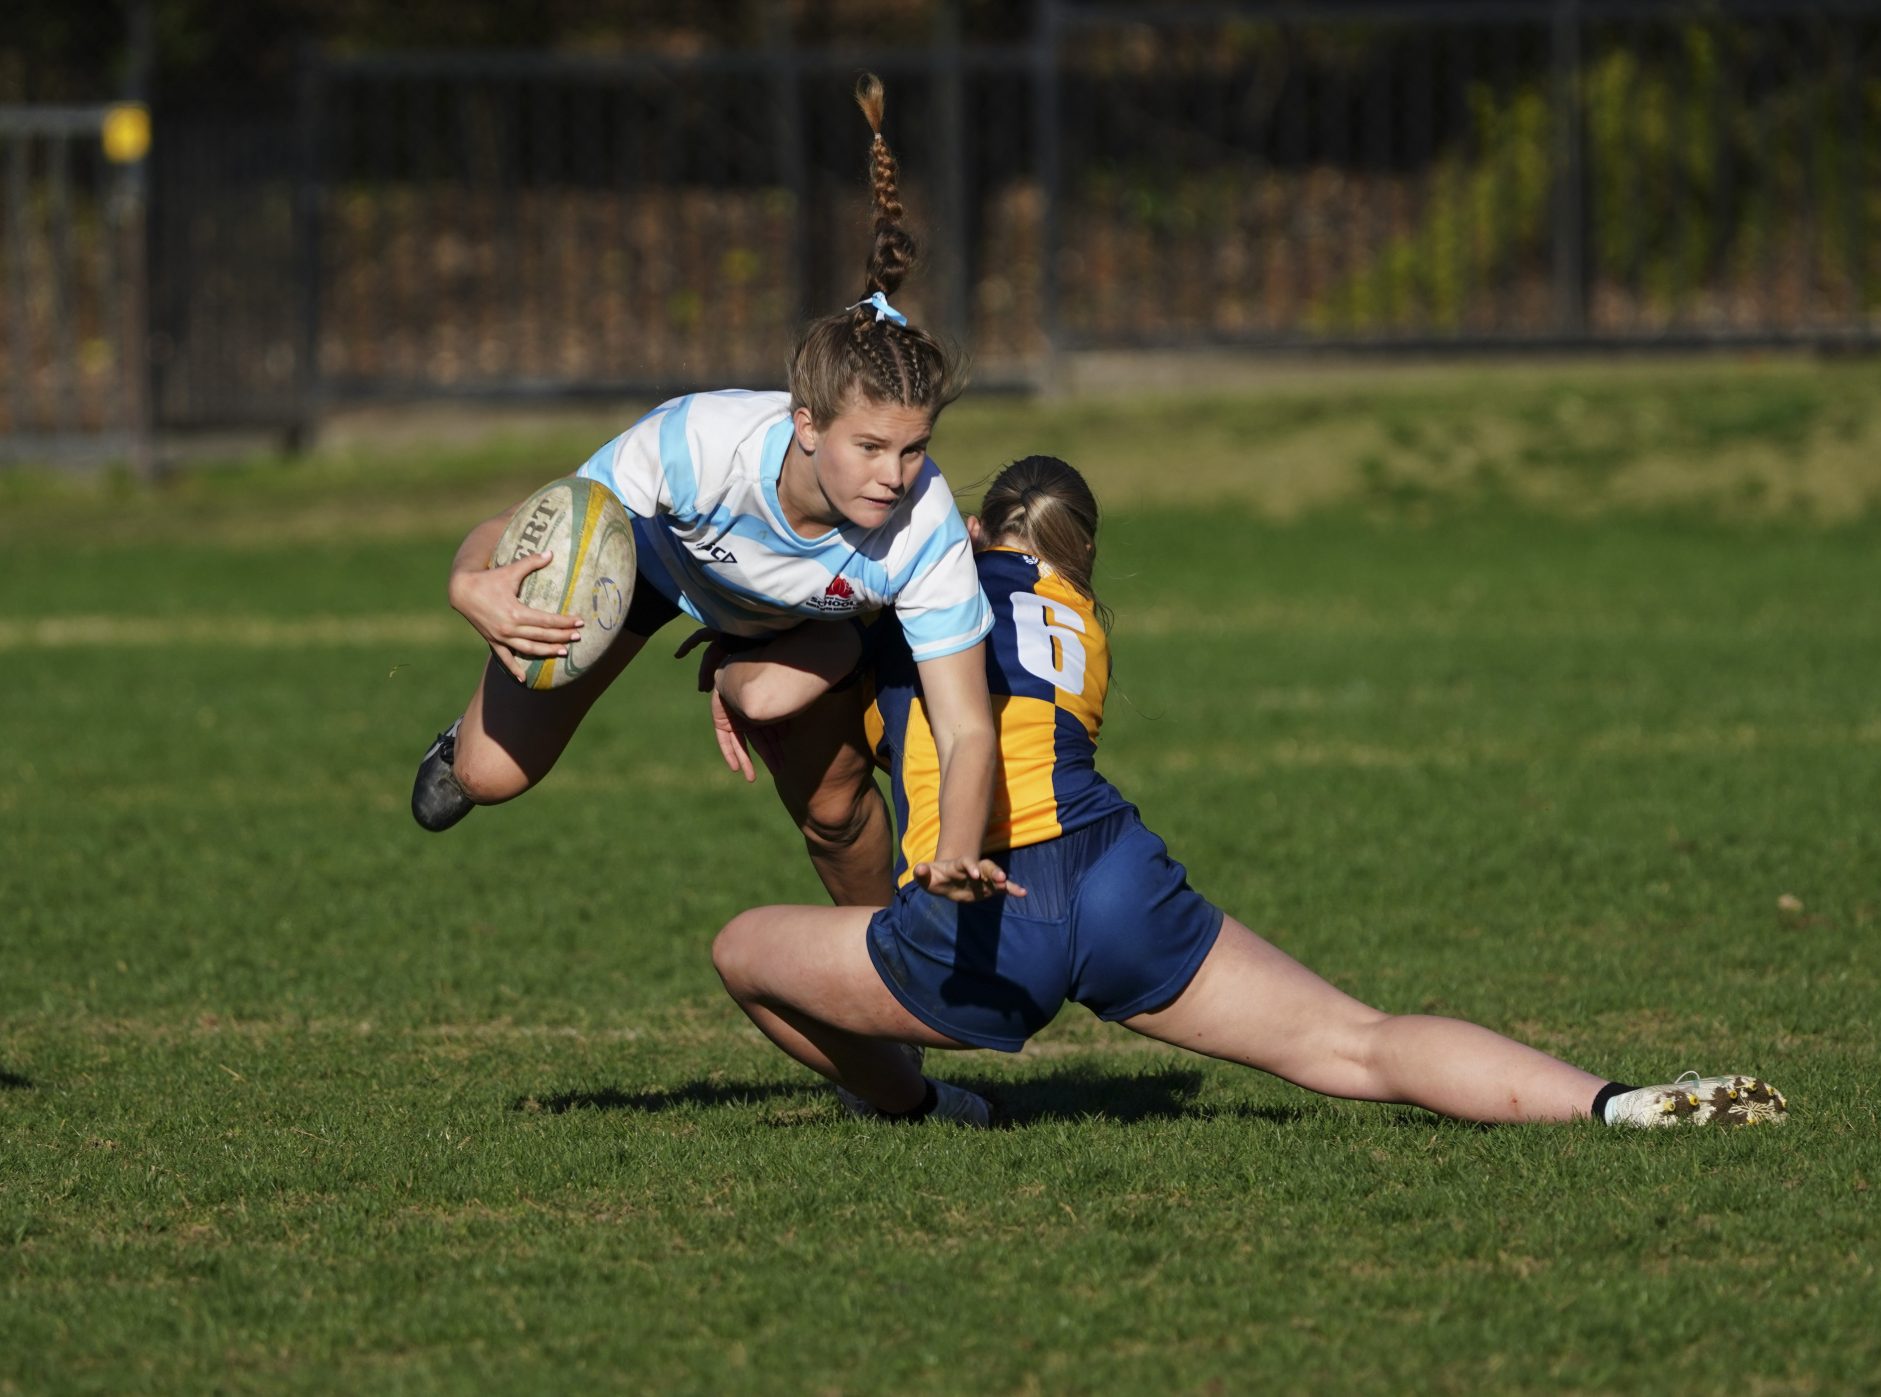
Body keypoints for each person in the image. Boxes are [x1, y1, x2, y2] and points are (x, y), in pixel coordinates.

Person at [707, 456, 1791, 1129]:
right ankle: (1615, 1102)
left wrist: (766, 636)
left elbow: (761, 687)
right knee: (1354, 1041)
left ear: (980, 531)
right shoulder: (1084, 621)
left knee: (744, 952)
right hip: (1117, 874)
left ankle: (916, 1100)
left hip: (990, 904)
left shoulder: (931, 584)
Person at [411, 75, 1014, 908]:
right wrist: (468, 578)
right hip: (661, 566)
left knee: (834, 813)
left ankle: (887, 976)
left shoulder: (925, 525)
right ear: (807, 424)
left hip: (806, 628)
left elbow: (968, 727)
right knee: (488, 774)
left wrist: (953, 852)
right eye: (870, 446)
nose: (895, 474)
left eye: (916, 449)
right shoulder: (695, 446)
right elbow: (547, 521)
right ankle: (462, 740)